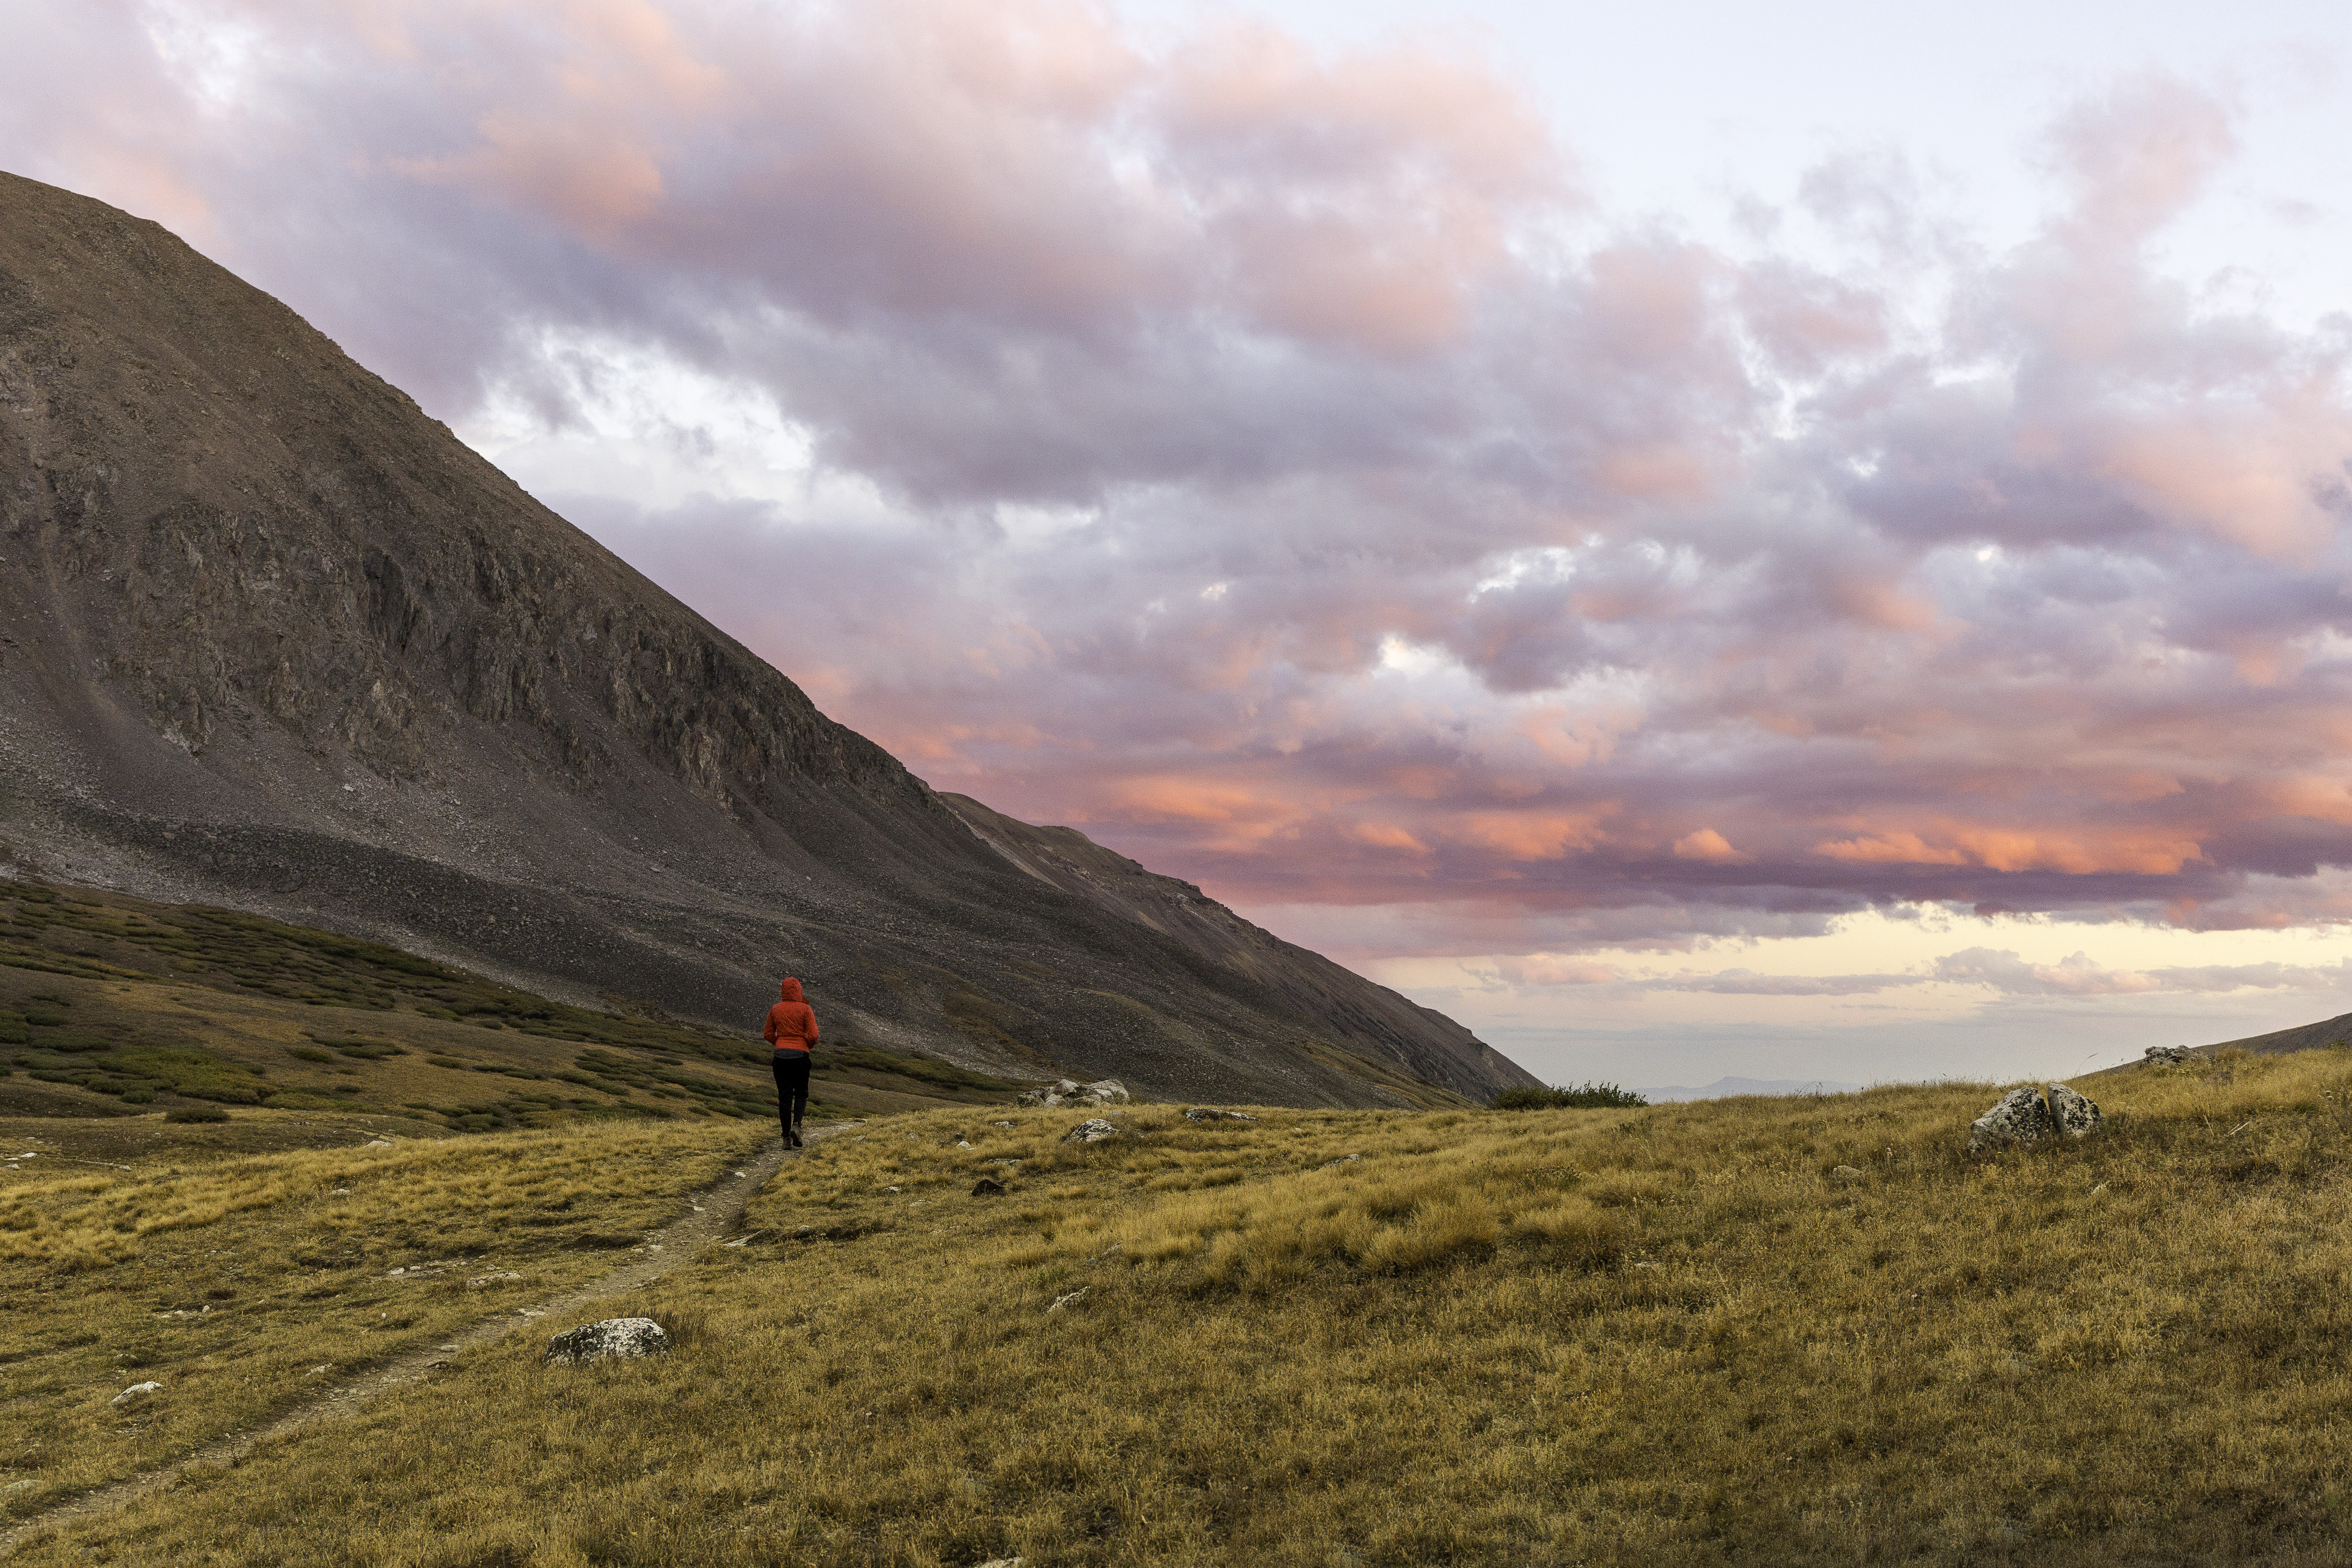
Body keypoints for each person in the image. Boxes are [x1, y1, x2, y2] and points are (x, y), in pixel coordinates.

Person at [764, 977, 819, 1148]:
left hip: (780, 1057)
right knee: (801, 1093)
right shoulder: (805, 1009)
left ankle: (786, 1139)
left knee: (784, 1097)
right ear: (799, 990)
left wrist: (780, 1044)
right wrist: (805, 1045)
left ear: (783, 991)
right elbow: (814, 1035)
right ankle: (797, 1126)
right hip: (801, 1056)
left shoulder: (775, 1009)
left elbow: (768, 1034)